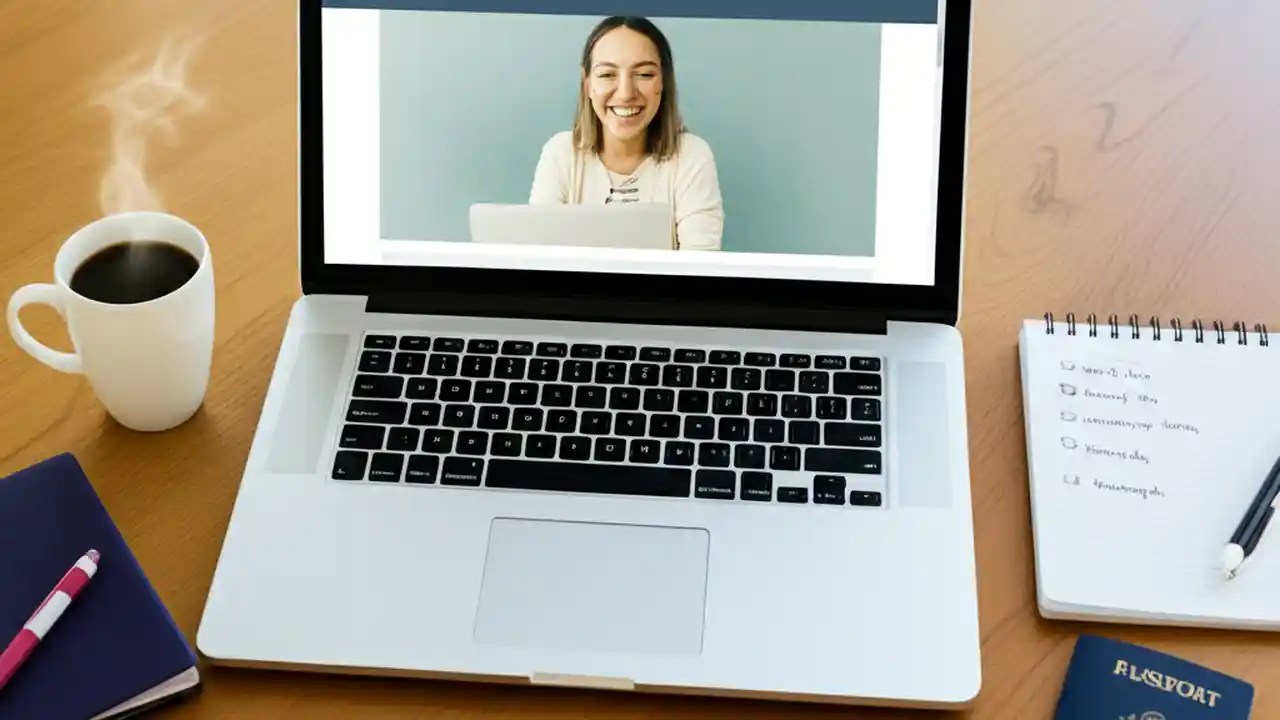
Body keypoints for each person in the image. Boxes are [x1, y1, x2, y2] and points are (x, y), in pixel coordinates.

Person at [529, 16, 724, 251]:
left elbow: (699, 268)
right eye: (607, 75)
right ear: (587, 84)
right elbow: (540, 260)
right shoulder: (560, 154)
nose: (625, 93)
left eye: (644, 74)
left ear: (663, 82)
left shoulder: (691, 156)